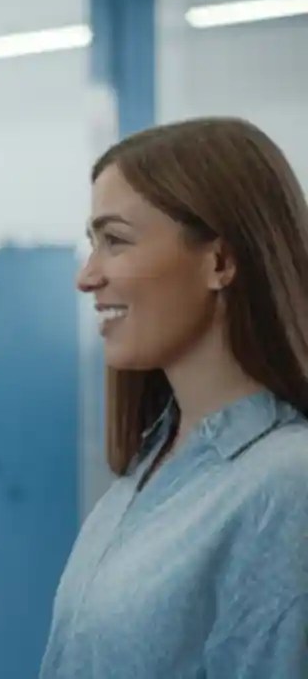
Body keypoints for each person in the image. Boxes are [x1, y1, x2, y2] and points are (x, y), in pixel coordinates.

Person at [41, 117, 308, 677]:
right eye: (92, 244)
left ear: (220, 262)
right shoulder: (153, 461)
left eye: (115, 241)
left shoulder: (287, 486)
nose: (87, 277)